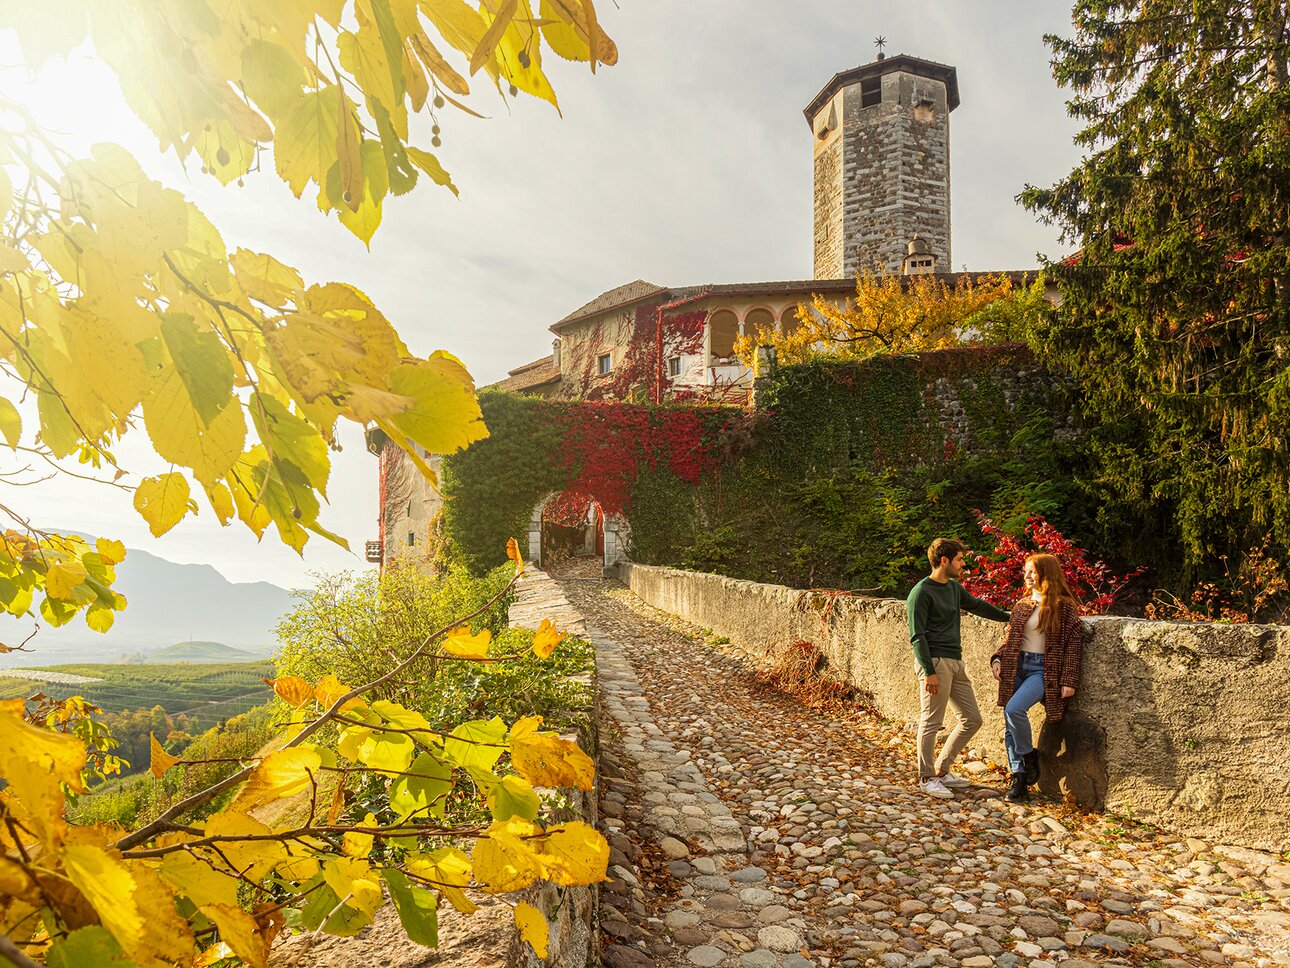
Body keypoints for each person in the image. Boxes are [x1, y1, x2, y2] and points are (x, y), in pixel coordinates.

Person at [907, 538, 1011, 799]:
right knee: (931, 721)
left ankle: (942, 770)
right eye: (960, 560)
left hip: (956, 662)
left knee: (972, 719)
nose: (964, 564)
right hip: (935, 663)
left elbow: (978, 606)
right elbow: (917, 635)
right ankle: (926, 777)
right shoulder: (921, 592)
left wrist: (1011, 616)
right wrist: (928, 671)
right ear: (944, 561)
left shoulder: (953, 588)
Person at [990, 554, 1084, 803]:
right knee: (1009, 723)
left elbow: (1074, 647)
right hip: (1016, 666)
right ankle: (1019, 779)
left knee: (1014, 709)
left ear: (1047, 573)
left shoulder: (1065, 608)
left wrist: (1069, 680)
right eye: (1025, 572)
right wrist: (997, 658)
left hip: (1042, 670)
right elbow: (1010, 639)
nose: (1027, 576)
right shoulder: (1022, 605)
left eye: (1032, 572)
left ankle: (1028, 754)